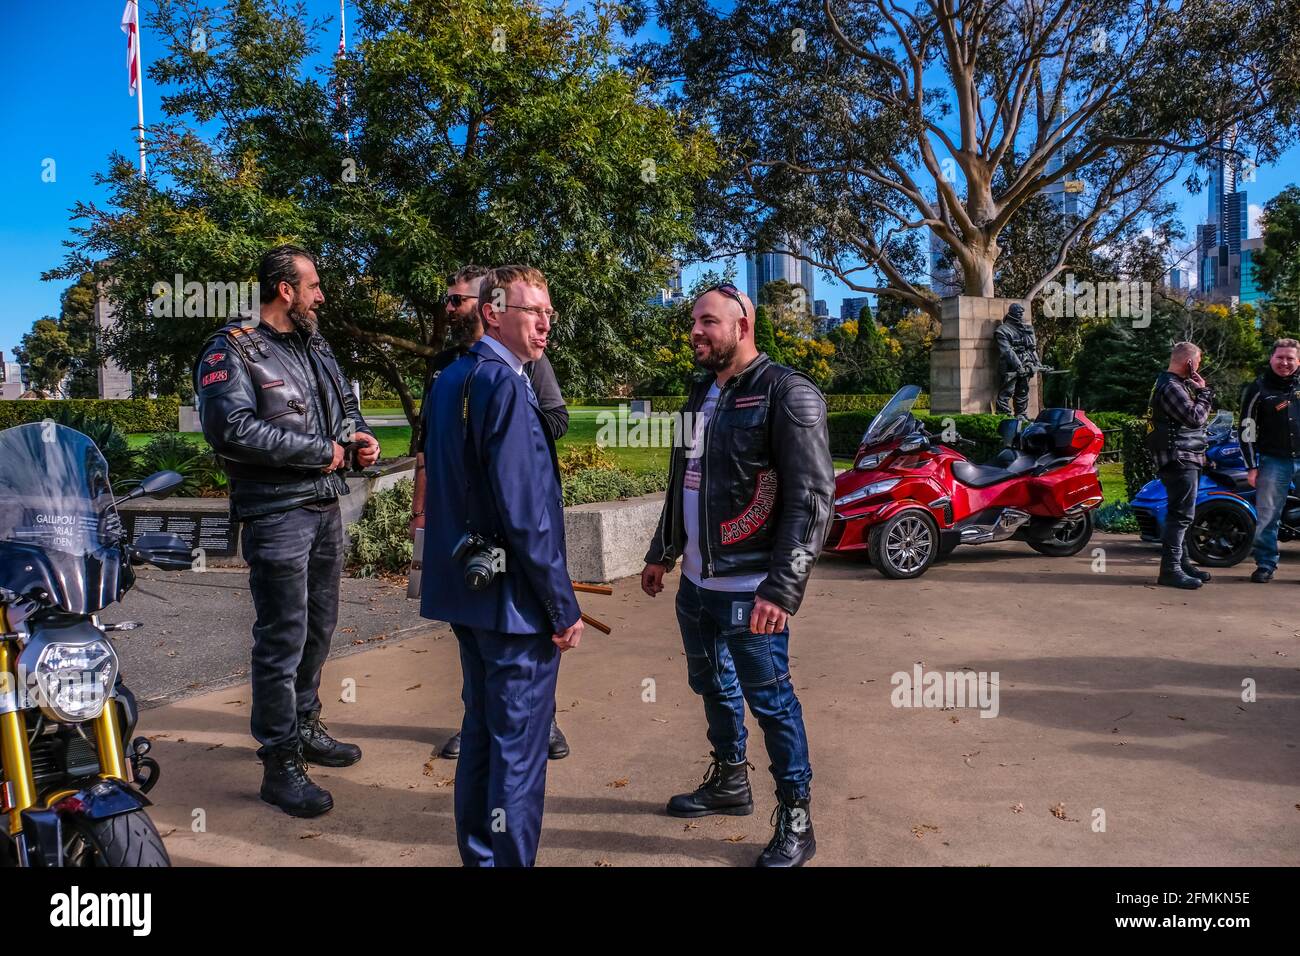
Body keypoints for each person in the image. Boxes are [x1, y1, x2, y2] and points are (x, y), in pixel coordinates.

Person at [640, 283, 834, 867]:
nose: (695, 332)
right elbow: (683, 485)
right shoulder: (700, 394)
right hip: (696, 587)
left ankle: (796, 819)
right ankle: (730, 780)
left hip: (753, 591)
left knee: (772, 703)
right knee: (713, 687)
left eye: (708, 322)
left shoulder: (787, 393)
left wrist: (783, 588)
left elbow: (813, 497)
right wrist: (661, 551)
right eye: (693, 322)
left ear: (742, 325)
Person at [195, 244, 380, 818]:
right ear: (285, 290)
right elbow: (232, 431)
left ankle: (304, 726)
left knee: (319, 627)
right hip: (276, 513)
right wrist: (318, 452)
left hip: (323, 507)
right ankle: (279, 762)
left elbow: (343, 409)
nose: (321, 295)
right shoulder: (229, 349)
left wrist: (359, 439)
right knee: (282, 637)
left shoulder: (315, 345)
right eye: (314, 285)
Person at [419, 264, 583, 867]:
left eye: (548, 313)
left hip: (469, 593)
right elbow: (528, 515)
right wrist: (563, 607)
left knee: (485, 741)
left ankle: (481, 859)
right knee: (516, 752)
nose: (545, 325)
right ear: (492, 313)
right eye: (531, 312)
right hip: (512, 605)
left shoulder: (453, 378)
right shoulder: (506, 386)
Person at [1144, 341, 1214, 590]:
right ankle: (1170, 569)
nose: (1199, 367)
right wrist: (1205, 393)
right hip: (1180, 457)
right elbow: (1194, 418)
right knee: (1180, 515)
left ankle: (1181, 563)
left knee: (1181, 514)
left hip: (1180, 456)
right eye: (1199, 362)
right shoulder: (1172, 386)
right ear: (1190, 363)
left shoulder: (1169, 383)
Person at [1239, 338, 1300, 582]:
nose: (1285, 362)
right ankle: (1265, 564)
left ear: (1298, 361)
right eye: (1280, 357)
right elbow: (1247, 429)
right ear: (1271, 359)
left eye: (1290, 358)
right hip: (1274, 461)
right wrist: (1252, 466)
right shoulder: (1258, 388)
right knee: (1267, 516)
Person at [994, 302, 1038, 417]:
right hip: (1010, 365)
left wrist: (1038, 363)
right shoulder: (1002, 330)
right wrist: (1019, 366)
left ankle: (1021, 415)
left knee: (1023, 390)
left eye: (1022, 313)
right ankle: (1003, 415)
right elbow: (1007, 351)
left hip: (1026, 362)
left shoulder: (1027, 328)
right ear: (1011, 312)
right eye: (1018, 312)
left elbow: (1032, 349)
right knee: (1008, 390)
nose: (1021, 315)